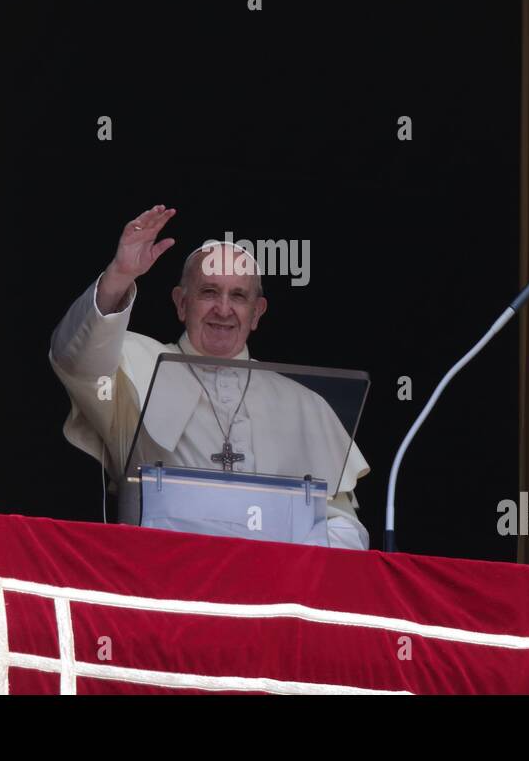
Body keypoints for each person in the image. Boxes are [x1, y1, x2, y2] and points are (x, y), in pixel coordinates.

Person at [49, 204, 370, 549]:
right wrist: (119, 275)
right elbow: (76, 357)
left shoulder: (305, 404)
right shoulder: (131, 364)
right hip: (163, 581)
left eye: (238, 296)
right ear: (181, 303)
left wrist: (299, 564)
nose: (223, 308)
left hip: (275, 592)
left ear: (257, 312)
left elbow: (343, 525)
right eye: (208, 292)